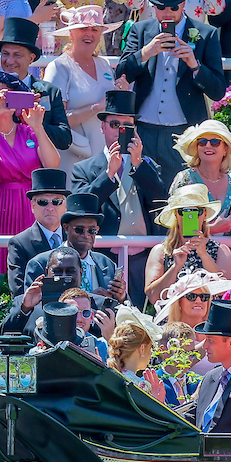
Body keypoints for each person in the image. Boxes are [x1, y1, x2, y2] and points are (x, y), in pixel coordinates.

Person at [115, 0, 227, 188]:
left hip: (184, 134)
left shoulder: (205, 33)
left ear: (184, 4)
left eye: (174, 7)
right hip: (143, 132)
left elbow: (218, 91)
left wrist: (195, 66)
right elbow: (121, 75)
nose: (167, 12)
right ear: (153, 6)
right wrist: (146, 52)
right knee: (141, 196)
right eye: (160, 7)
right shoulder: (140, 31)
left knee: (184, 198)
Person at [70, 89, 168, 303]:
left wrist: (138, 165)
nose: (120, 131)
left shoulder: (149, 166)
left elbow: (161, 202)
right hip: (103, 256)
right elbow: (79, 209)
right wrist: (109, 175)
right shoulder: (84, 169)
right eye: (115, 125)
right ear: (103, 127)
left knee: (144, 319)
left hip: (144, 257)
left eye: (127, 126)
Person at [0, 70, 62, 273]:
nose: (6, 100)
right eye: (0, 97)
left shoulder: (29, 131)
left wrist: (38, 127)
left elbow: (52, 164)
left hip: (29, 207)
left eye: (10, 95)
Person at [0, 18, 72, 153]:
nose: (10, 61)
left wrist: (33, 120)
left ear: (31, 58)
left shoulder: (50, 91)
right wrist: (5, 112)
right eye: (5, 54)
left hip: (35, 167)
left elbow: (64, 139)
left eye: (17, 55)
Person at [44, 5, 121, 172]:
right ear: (71, 34)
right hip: (72, 157)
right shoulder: (58, 67)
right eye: (83, 29)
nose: (89, 33)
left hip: (105, 158)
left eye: (94, 29)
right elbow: (54, 122)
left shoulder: (105, 65)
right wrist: (96, 108)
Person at [24, 193, 127, 306]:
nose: (86, 235)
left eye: (92, 230)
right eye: (79, 229)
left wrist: (121, 297)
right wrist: (92, 299)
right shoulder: (40, 263)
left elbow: (122, 308)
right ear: (66, 228)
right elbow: (32, 308)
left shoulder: (106, 264)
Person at [144, 184, 231, 304]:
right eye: (183, 211)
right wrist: (175, 267)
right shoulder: (161, 251)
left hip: (207, 320)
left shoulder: (221, 250)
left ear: (205, 214)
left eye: (197, 211)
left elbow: (225, 290)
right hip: (171, 320)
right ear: (176, 214)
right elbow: (153, 297)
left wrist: (204, 255)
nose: (190, 216)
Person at [168, 119, 231, 234]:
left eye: (215, 142)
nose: (208, 146)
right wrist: (212, 229)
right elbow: (175, 228)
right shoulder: (185, 179)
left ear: (225, 149)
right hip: (191, 250)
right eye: (202, 142)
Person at [8, 168, 70, 293]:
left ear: (65, 206)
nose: (50, 208)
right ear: (32, 206)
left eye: (57, 201)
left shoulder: (75, 236)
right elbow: (18, 292)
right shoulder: (19, 243)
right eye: (43, 202)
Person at [107, 319, 167, 402]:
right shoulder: (140, 387)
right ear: (142, 349)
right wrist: (158, 401)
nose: (151, 353)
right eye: (150, 348)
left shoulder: (109, 377)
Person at [152, 269, 231, 328]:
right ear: (179, 302)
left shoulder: (218, 332)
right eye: (191, 296)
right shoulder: (167, 335)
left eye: (204, 297)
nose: (198, 301)